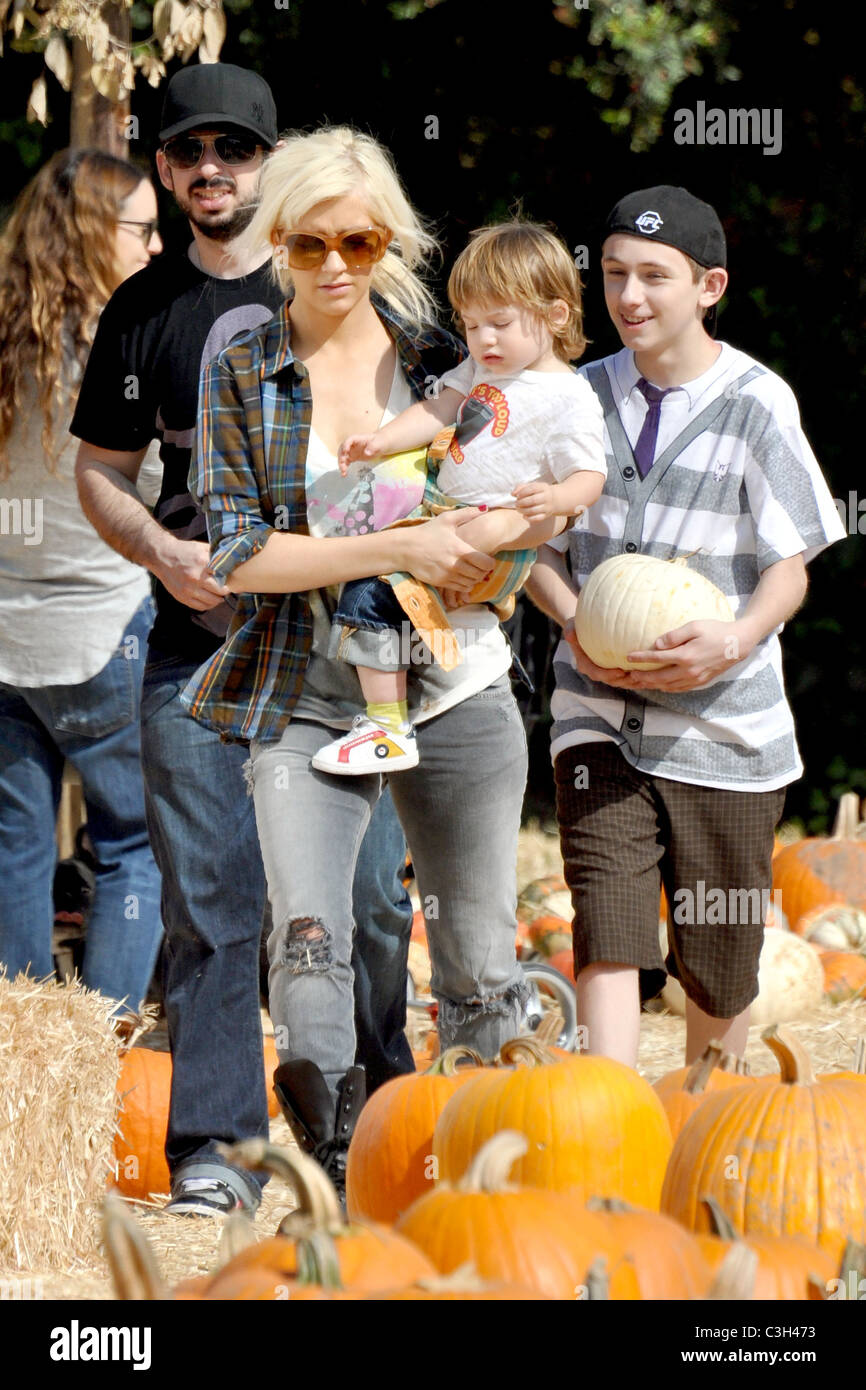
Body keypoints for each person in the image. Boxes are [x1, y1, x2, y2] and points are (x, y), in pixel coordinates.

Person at [179, 125, 561, 1195]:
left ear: (387, 239)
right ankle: (349, 1182)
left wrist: (486, 561)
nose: (335, 265)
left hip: (457, 689)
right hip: (304, 697)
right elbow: (240, 552)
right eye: (308, 245)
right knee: (307, 954)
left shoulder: (449, 360)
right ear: (275, 242)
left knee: (481, 957)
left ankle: (487, 1193)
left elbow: (517, 530)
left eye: (358, 240)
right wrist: (393, 544)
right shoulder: (240, 362)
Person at [71, 66, 415, 1218]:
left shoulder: (343, 282)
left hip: (344, 658)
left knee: (367, 896)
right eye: (186, 152)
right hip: (201, 647)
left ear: (272, 161)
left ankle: (371, 1119)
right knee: (209, 899)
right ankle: (216, 1145)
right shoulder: (143, 312)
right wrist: (155, 552)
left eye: (234, 148)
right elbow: (101, 475)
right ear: (164, 169)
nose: (210, 169)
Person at [526, 184, 846, 1069]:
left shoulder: (757, 402)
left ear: (709, 287)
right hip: (596, 714)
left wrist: (736, 638)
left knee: (716, 966)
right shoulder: (575, 398)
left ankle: (711, 1123)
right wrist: (575, 626)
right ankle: (605, 1115)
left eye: (654, 278)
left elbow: (791, 566)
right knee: (609, 923)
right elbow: (535, 552)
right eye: (616, 274)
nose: (628, 297)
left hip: (725, 731)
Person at [308, 220, 606, 776]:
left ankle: (386, 723)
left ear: (556, 316)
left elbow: (591, 477)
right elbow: (436, 411)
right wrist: (381, 439)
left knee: (375, 589)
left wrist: (557, 498)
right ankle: (391, 708)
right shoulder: (478, 368)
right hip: (448, 517)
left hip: (499, 526)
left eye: (499, 323)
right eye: (470, 325)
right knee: (374, 567)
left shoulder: (569, 397)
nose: (482, 339)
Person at [0, 149, 163, 1027]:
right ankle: (97, 1070)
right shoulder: (126, 346)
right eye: (141, 228)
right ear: (95, 235)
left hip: (5, 639)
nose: (157, 243)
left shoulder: (5, 344)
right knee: (136, 846)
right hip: (107, 632)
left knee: (13, 847)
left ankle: (24, 1073)